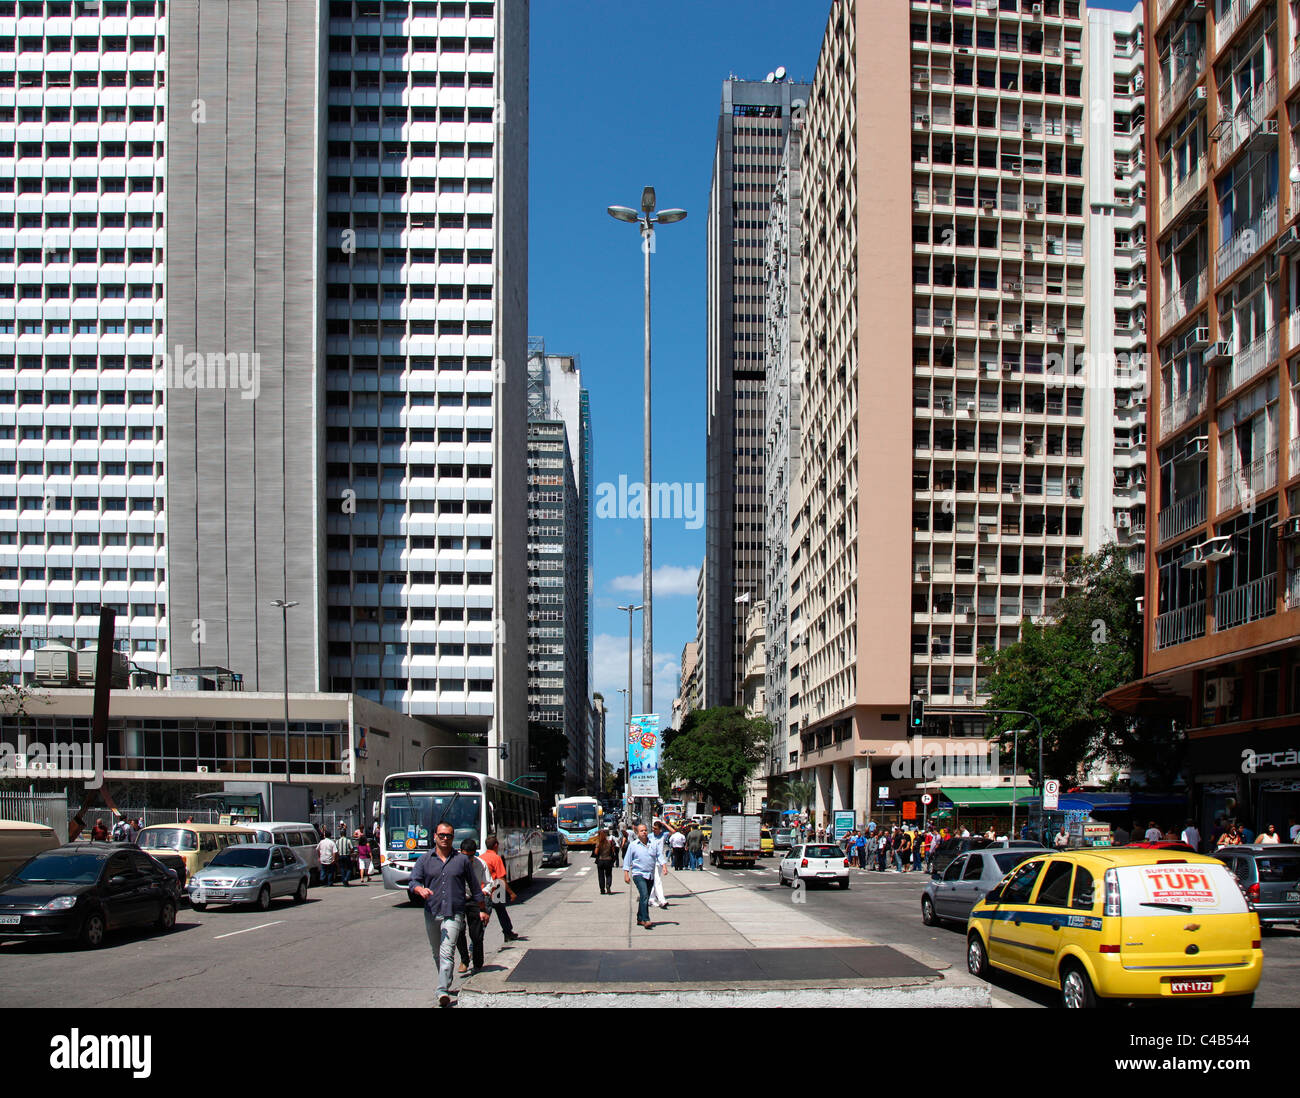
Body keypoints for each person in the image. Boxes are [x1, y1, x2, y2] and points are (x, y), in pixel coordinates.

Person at [409, 822, 488, 1008]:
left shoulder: (461, 861)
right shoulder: (424, 860)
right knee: (437, 953)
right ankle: (445, 979)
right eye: (442, 835)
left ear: (453, 838)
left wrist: (482, 909)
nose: (445, 838)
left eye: (449, 836)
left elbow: (475, 887)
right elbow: (414, 881)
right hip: (432, 911)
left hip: (454, 912)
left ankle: (442, 990)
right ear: (435, 836)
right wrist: (420, 889)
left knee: (447, 951)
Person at [456, 838, 489, 974]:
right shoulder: (455, 864)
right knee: (458, 930)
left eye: (471, 856)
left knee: (476, 934)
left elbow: (489, 882)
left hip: (475, 901)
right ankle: (464, 959)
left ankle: (478, 964)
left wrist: (485, 892)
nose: (468, 859)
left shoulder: (480, 864)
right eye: (465, 856)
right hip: (459, 900)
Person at [480, 836, 519, 942]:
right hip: (494, 890)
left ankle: (508, 932)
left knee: (501, 910)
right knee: (488, 916)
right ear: (496, 845)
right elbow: (501, 878)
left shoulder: (481, 857)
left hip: (483, 890)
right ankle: (474, 946)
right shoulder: (496, 858)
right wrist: (511, 893)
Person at [622, 823, 658, 929]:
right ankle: (646, 919)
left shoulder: (653, 843)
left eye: (645, 830)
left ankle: (640, 918)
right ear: (637, 833)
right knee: (645, 894)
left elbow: (659, 855)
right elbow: (627, 860)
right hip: (638, 874)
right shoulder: (633, 845)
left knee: (644, 897)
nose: (644, 832)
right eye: (642, 831)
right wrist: (626, 874)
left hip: (650, 874)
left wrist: (664, 866)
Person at [648, 820, 671, 909]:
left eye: (656, 829)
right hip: (651, 860)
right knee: (656, 880)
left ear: (660, 829)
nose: (654, 830)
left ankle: (651, 899)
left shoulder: (663, 835)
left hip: (660, 860)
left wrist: (665, 824)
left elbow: (673, 832)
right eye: (653, 828)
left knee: (655, 880)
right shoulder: (650, 836)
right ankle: (661, 900)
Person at [592, 828, 618, 894]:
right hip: (608, 860)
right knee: (608, 874)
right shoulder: (609, 842)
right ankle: (608, 885)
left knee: (601, 875)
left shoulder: (598, 843)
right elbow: (613, 851)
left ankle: (602, 889)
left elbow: (596, 852)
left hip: (600, 860)